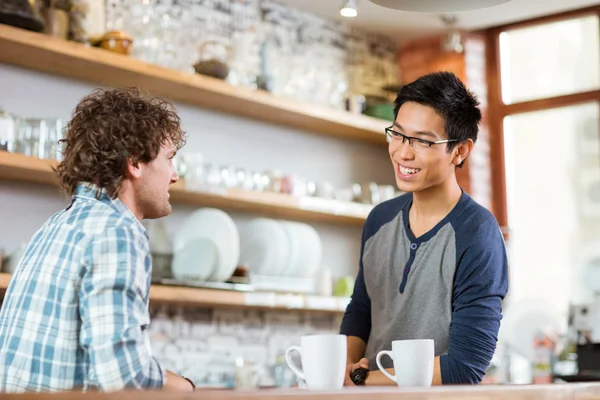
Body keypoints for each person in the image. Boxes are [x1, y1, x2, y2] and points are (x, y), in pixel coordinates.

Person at [0, 87, 195, 392]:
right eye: (170, 159)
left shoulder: (56, 225)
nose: (175, 175)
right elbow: (123, 378)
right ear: (134, 162)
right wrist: (186, 387)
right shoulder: (117, 232)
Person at [340, 71, 509, 386]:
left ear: (460, 151)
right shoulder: (379, 219)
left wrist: (362, 379)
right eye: (399, 134)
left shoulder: (478, 233)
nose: (403, 152)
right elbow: (362, 309)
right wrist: (344, 368)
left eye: (423, 141)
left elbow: (464, 368)